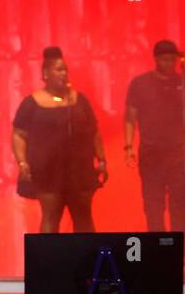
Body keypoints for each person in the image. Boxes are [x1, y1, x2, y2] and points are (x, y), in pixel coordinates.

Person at [11, 46, 107, 232]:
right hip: (48, 171)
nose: (64, 74)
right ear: (46, 73)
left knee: (84, 216)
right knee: (51, 215)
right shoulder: (32, 103)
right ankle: (49, 259)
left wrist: (101, 159)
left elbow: (94, 132)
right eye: (59, 69)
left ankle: (86, 258)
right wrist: (22, 163)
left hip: (79, 169)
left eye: (65, 70)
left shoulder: (78, 100)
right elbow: (18, 135)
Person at [123, 39, 185, 231]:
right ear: (156, 59)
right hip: (151, 155)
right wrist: (128, 146)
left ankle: (178, 249)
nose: (169, 64)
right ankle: (157, 248)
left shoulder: (182, 82)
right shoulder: (140, 84)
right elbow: (130, 118)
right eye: (164, 59)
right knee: (153, 206)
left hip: (179, 154)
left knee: (179, 205)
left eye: (172, 60)